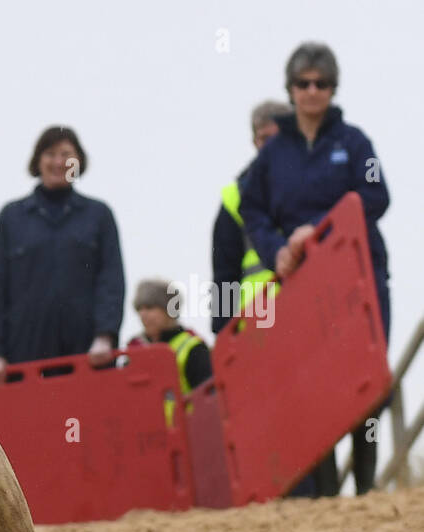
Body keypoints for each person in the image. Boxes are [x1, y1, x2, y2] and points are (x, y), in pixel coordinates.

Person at [240, 42, 389, 496]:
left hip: (359, 276)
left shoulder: (355, 142)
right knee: (316, 389)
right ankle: (326, 495)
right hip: (303, 285)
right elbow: (253, 208)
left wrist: (320, 230)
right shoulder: (272, 154)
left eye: (320, 83)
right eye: (302, 83)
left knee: (367, 383)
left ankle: (365, 490)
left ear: (332, 89)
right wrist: (276, 248)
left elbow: (377, 196)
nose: (311, 91)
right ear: (290, 89)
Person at [0, 126, 125, 385]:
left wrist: (106, 336)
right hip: (24, 351)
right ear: (38, 161)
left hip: (87, 352)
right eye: (50, 154)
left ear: (78, 161)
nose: (58, 162)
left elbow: (111, 280)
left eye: (66, 154)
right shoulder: (11, 218)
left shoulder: (99, 215)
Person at [211, 100, 292, 333]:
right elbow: (224, 276)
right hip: (258, 326)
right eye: (265, 138)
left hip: (314, 313)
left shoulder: (319, 183)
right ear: (255, 142)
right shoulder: (234, 198)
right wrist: (224, 335)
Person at [126, 279, 212, 427]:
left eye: (150, 307)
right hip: (143, 440)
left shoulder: (194, 348)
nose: (143, 314)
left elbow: (209, 401)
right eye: (140, 308)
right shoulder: (132, 352)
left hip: (186, 436)